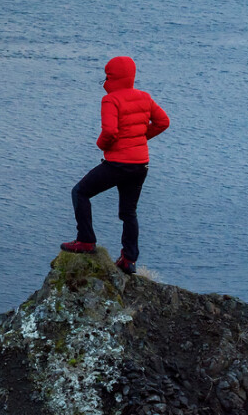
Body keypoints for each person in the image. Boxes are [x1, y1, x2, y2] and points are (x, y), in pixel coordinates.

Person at [61, 55, 169, 274]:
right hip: (140, 165)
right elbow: (163, 122)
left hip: (118, 163)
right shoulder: (145, 97)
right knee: (129, 213)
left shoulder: (111, 100)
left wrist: (102, 145)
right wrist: (140, 139)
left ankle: (86, 241)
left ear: (112, 76)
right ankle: (129, 259)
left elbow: (109, 132)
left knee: (80, 192)